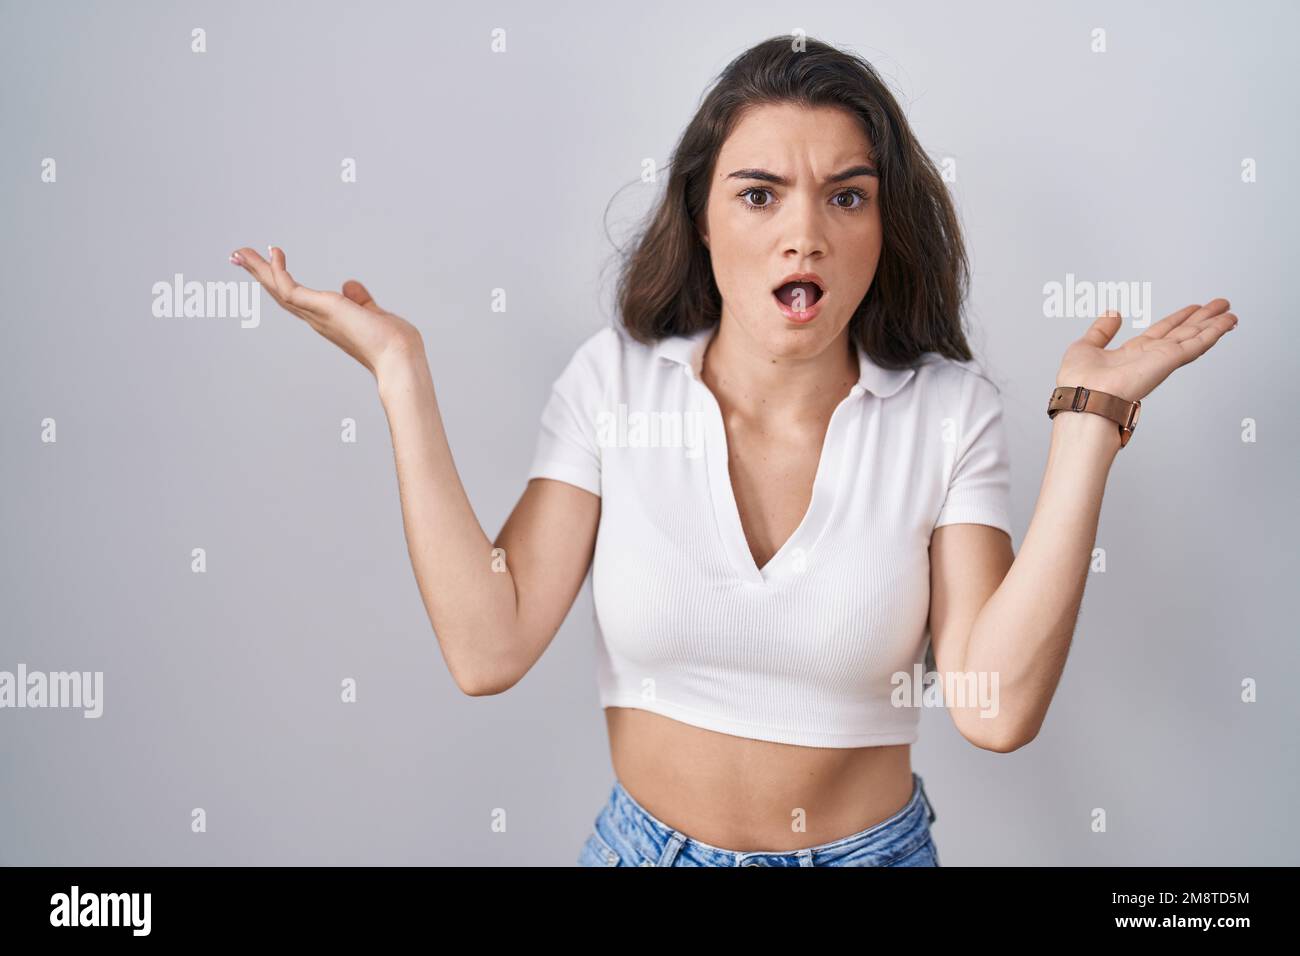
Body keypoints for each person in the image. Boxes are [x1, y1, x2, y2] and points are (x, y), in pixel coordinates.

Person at [228, 35, 1237, 867]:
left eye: (846, 195)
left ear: (883, 227)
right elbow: (488, 646)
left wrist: (1087, 423)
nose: (804, 231)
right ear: (702, 218)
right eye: (759, 194)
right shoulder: (612, 384)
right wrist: (400, 370)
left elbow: (996, 704)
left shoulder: (945, 411)